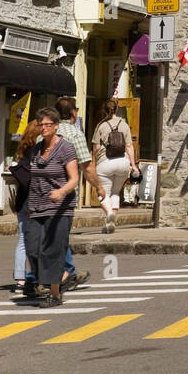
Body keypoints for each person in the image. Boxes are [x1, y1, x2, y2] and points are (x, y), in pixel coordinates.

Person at [14, 108, 80, 308]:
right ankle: (58, 277)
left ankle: (55, 294)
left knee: (52, 250)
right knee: (33, 249)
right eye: (41, 124)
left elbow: (74, 178)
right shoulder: (35, 150)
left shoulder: (66, 148)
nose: (43, 128)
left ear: (56, 126)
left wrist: (61, 192)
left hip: (60, 207)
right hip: (36, 206)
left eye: (47, 125)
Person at [54, 96, 108, 292]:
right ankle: (63, 273)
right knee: (60, 234)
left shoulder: (46, 132)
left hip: (43, 192)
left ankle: (65, 271)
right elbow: (87, 166)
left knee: (51, 234)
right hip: (65, 191)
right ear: (73, 113)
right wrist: (98, 187)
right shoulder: (75, 134)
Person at [92, 100, 137, 233]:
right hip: (123, 162)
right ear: (116, 109)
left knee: (103, 193)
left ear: (104, 110)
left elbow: (96, 147)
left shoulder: (100, 126)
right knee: (115, 193)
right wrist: (133, 165)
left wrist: (95, 162)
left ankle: (109, 213)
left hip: (105, 163)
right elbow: (129, 146)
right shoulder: (124, 125)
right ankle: (110, 224)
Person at [11, 120, 41, 294]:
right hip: (34, 199)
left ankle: (20, 279)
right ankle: (36, 277)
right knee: (39, 238)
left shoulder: (22, 152)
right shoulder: (37, 152)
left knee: (22, 240)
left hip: (22, 200)